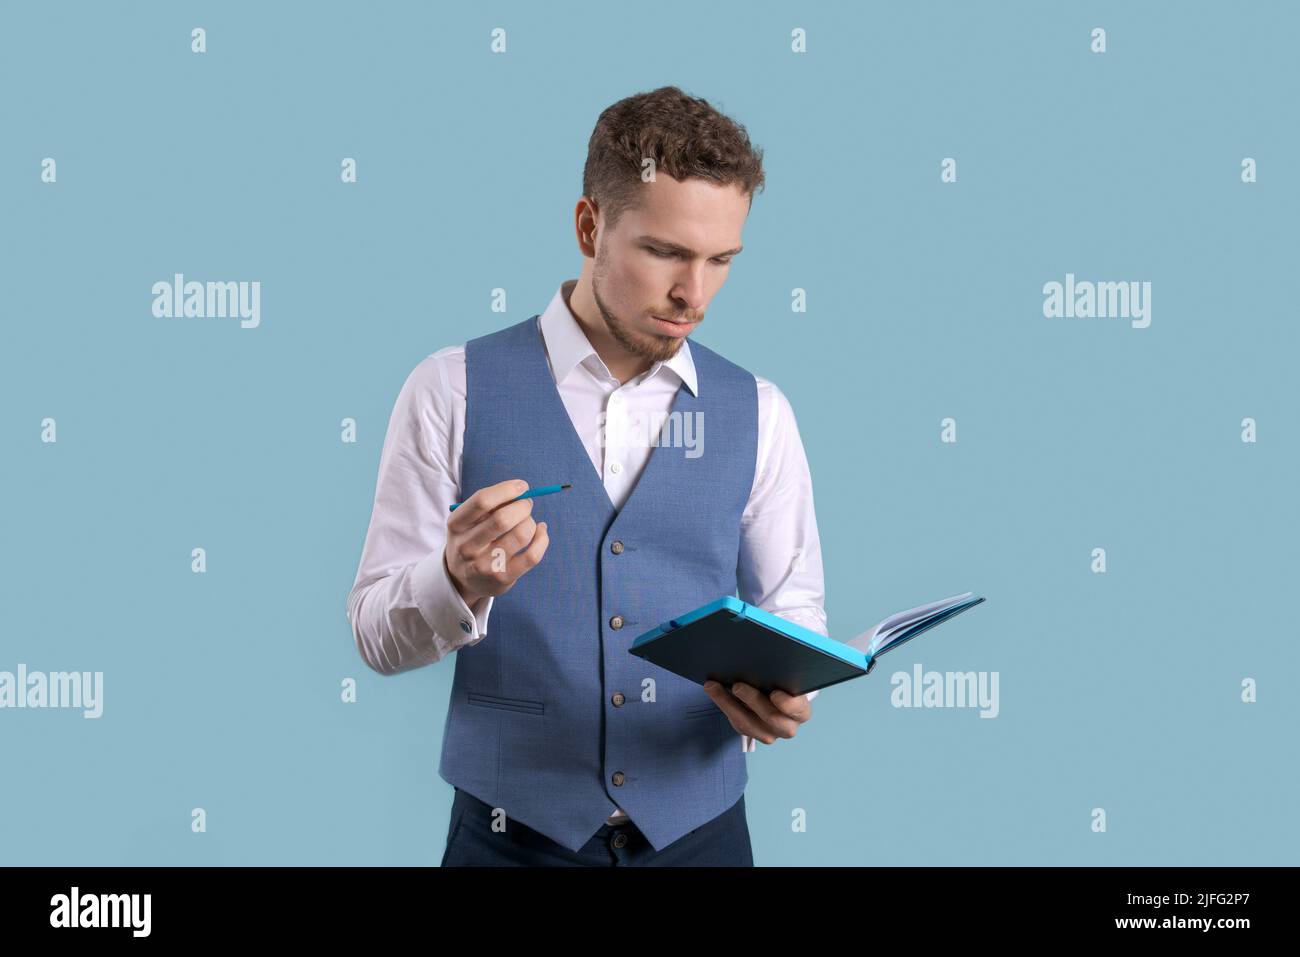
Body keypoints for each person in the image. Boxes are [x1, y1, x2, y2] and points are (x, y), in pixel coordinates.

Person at [346, 85, 827, 866]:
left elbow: (793, 613)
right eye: (666, 252)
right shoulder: (452, 388)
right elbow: (375, 631)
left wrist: (782, 696)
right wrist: (454, 579)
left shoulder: (761, 411)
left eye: (720, 261)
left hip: (701, 837)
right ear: (589, 225)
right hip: (508, 840)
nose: (693, 295)